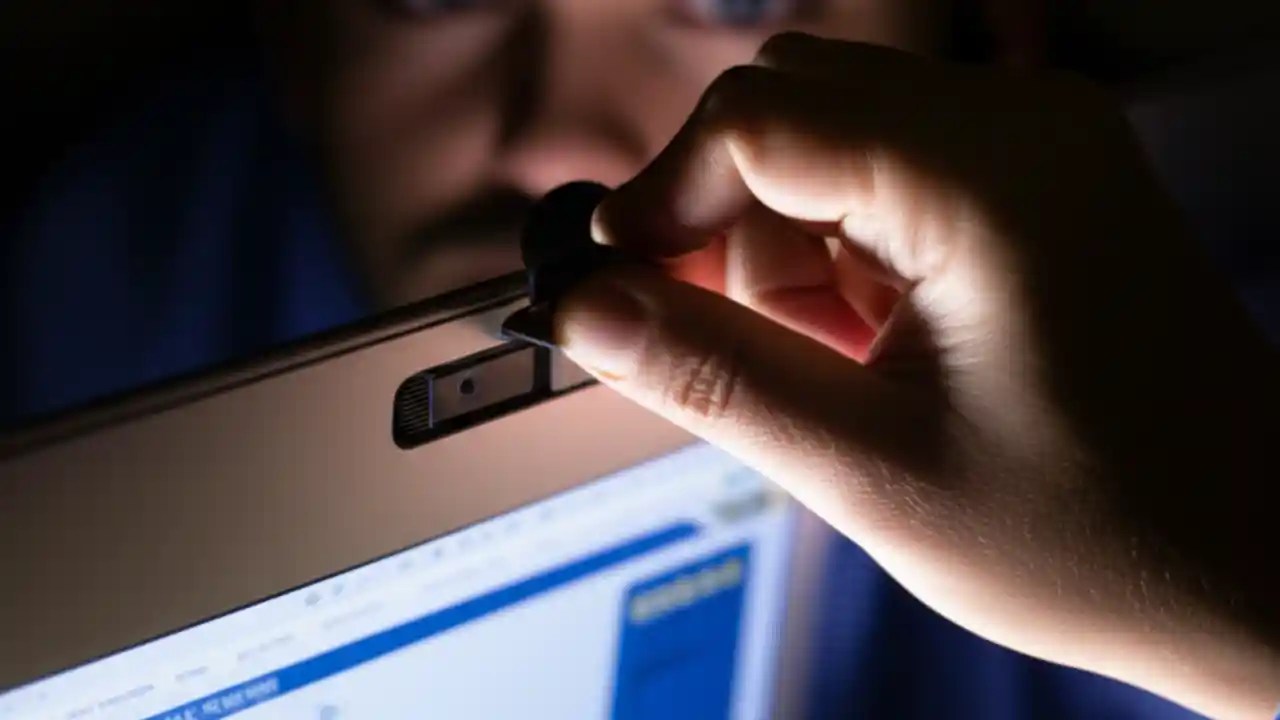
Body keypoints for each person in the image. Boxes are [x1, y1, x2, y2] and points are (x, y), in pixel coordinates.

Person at [2, 2, 1276, 718]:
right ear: (300, 42)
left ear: (979, 45)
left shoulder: (1204, 389)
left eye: (726, 0)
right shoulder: (112, 275)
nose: (550, 126)